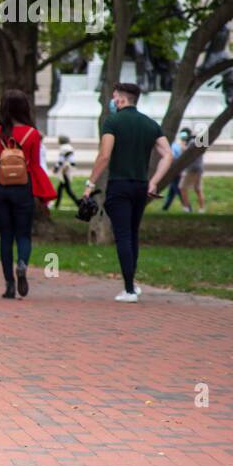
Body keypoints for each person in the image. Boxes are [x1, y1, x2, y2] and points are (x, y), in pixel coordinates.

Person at [83, 82, 172, 302]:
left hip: (119, 186)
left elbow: (104, 156)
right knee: (132, 234)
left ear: (122, 99)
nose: (113, 101)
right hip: (141, 186)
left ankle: (129, 289)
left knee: (122, 235)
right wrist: (154, 182)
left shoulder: (112, 122)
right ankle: (131, 284)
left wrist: (90, 183)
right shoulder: (150, 124)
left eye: (114, 97)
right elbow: (168, 155)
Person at [0, 89, 55, 298]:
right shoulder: (33, 135)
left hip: (0, 188)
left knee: (6, 236)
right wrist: (45, 196)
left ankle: (9, 285)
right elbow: (36, 167)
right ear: (25, 109)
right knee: (24, 234)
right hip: (23, 187)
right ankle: (22, 265)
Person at [178, 128, 206, 212]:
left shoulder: (191, 142)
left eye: (183, 135)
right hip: (199, 168)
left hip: (192, 169)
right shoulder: (197, 142)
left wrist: (182, 142)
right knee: (198, 189)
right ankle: (201, 209)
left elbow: (185, 152)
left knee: (182, 187)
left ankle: (186, 208)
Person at [51, 135, 77, 209]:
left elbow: (61, 160)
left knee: (67, 189)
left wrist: (56, 168)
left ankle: (78, 203)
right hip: (69, 168)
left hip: (65, 169)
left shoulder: (63, 148)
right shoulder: (69, 147)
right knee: (61, 188)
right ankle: (57, 204)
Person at [162, 132, 186, 211]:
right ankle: (165, 208)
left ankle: (186, 207)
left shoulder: (172, 147)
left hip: (174, 171)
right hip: (175, 171)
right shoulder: (175, 146)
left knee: (177, 189)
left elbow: (173, 158)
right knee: (172, 190)